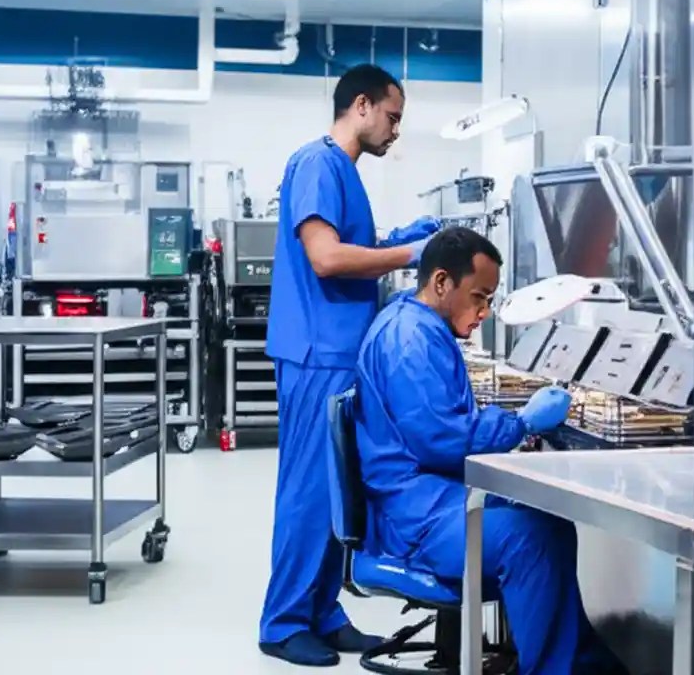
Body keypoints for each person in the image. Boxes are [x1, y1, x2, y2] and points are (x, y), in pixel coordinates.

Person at [354, 227, 627, 675]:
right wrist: (519, 423)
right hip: (416, 520)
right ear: (441, 282)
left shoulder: (420, 325)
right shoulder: (409, 340)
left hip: (433, 497)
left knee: (549, 519)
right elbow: (439, 438)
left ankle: (581, 664)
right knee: (530, 538)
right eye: (478, 297)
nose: (484, 312)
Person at [260, 63, 442, 667]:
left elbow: (351, 245)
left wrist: (398, 235)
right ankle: (283, 622)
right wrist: (410, 253)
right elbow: (327, 258)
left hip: (341, 354)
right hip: (317, 355)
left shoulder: (345, 173)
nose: (395, 131)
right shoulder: (316, 163)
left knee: (339, 493)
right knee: (310, 491)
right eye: (392, 117)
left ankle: (323, 612)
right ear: (360, 106)